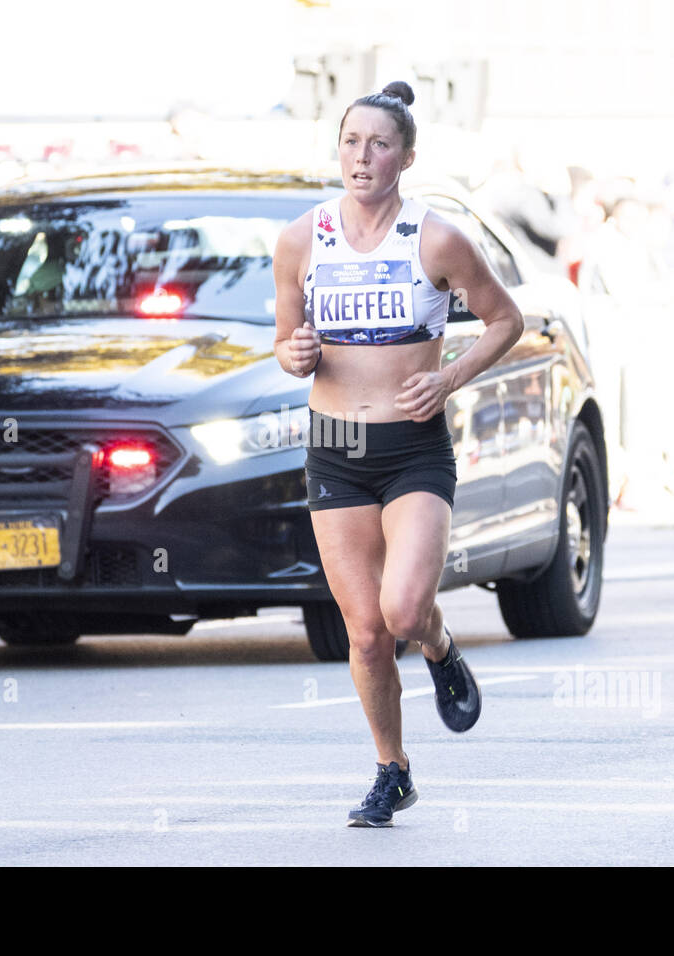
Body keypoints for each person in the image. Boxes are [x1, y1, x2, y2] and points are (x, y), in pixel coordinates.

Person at [272, 81, 524, 827]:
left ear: (406, 157)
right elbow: (286, 345)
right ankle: (393, 771)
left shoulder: (437, 238)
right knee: (365, 630)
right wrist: (297, 351)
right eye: (352, 142)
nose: (363, 156)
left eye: (379, 144)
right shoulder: (300, 239)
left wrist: (447, 378)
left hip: (413, 447)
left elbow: (504, 320)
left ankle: (442, 649)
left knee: (406, 608)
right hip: (337, 445)